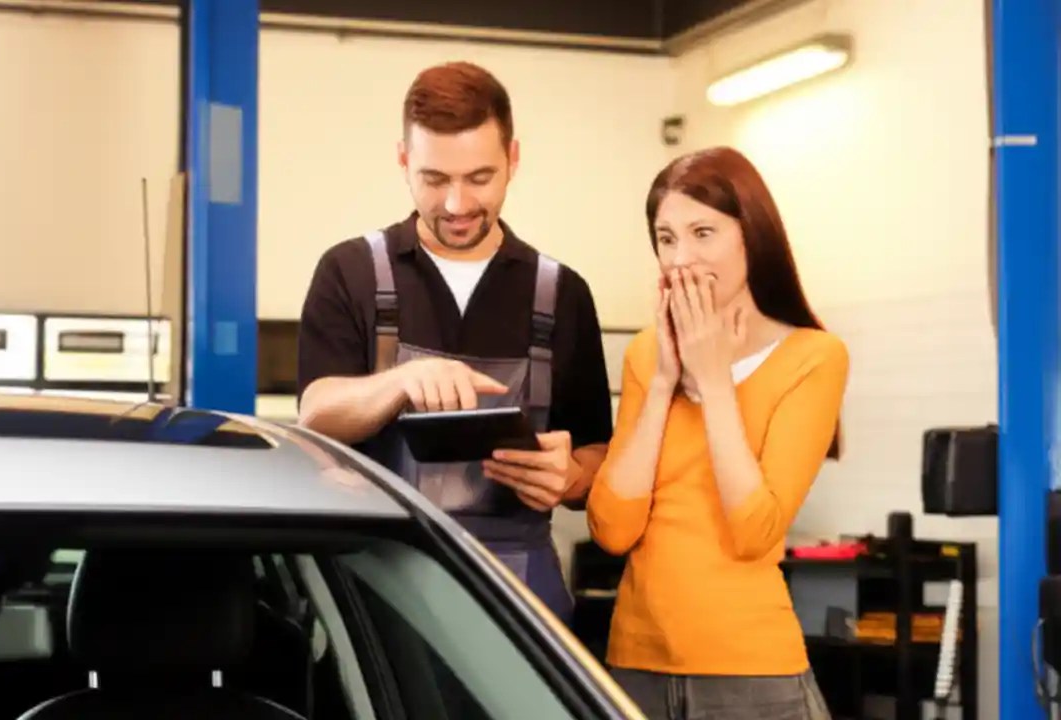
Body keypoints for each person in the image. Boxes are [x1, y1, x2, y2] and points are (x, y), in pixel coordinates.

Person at [295, 61, 613, 624]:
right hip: (381, 581)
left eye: (480, 178)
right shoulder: (351, 272)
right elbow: (316, 411)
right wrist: (401, 381)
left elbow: (596, 453)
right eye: (435, 179)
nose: (457, 204)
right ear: (402, 160)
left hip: (519, 594)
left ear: (514, 159)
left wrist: (573, 478)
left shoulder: (562, 293)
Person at [587, 146, 846, 720]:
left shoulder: (814, 356)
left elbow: (755, 531)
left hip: (751, 675)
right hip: (637, 666)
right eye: (666, 238)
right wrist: (662, 384)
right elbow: (611, 528)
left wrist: (714, 380)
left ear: (751, 235)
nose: (682, 258)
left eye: (703, 232)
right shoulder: (645, 354)